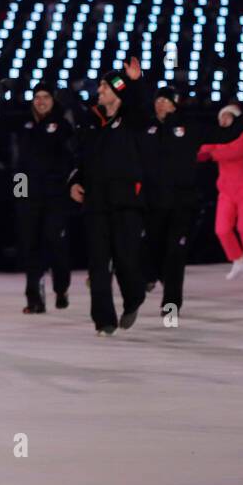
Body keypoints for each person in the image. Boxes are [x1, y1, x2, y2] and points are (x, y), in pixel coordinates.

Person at [138, 85, 243, 316]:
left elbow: (225, 135)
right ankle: (151, 276)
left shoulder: (188, 127)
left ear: (175, 103)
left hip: (182, 204)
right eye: (158, 99)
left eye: (167, 100)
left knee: (175, 256)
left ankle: (171, 307)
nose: (162, 103)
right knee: (152, 250)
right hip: (152, 204)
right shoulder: (143, 128)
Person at [67, 60, 150, 336]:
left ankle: (134, 297)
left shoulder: (133, 120)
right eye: (100, 85)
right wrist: (75, 181)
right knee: (98, 263)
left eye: (105, 86)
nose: (99, 90)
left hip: (126, 200)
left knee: (126, 259)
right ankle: (103, 319)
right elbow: (79, 155)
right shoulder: (90, 119)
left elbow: (140, 105)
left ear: (118, 91)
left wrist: (135, 82)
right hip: (95, 201)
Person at [0, 81, 75, 313]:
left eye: (46, 97)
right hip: (28, 194)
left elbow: (72, 157)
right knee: (30, 245)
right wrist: (19, 195)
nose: (41, 101)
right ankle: (34, 299)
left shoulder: (62, 126)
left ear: (53, 100)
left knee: (54, 241)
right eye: (37, 97)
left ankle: (61, 287)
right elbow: (0, 126)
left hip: (54, 195)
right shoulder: (23, 123)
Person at [198, 102, 243, 281]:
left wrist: (211, 153)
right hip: (226, 191)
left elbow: (233, 152)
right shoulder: (217, 137)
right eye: (222, 117)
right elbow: (202, 151)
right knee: (222, 229)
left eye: (228, 116)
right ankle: (237, 260)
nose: (224, 120)